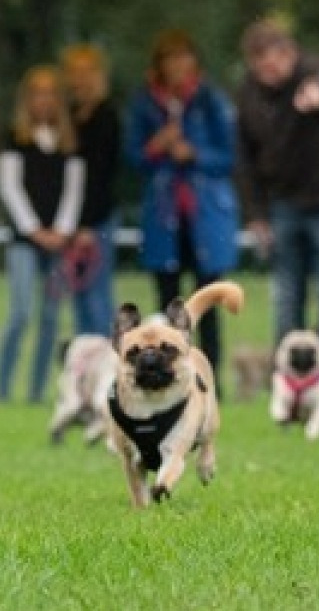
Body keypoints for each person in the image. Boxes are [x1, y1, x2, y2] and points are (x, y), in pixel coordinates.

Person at [125, 30, 238, 378]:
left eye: (183, 57)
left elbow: (229, 156)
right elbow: (132, 158)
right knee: (167, 303)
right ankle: (167, 373)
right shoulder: (144, 105)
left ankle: (210, 376)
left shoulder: (211, 102)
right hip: (164, 216)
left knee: (208, 302)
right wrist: (157, 146)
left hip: (206, 215)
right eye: (170, 58)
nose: (177, 65)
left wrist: (194, 154)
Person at [237, 19, 319, 346]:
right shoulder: (249, 93)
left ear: (290, 53)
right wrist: (255, 214)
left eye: (275, 62)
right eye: (261, 65)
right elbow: (244, 160)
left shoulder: (314, 73)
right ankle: (288, 360)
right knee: (287, 291)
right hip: (283, 202)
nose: (269, 71)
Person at [0, 66, 84, 403]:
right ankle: (2, 389)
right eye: (37, 94)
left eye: (50, 94)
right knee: (20, 313)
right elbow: (10, 187)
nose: (43, 101)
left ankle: (37, 391)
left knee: (50, 317)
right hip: (24, 241)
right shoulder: (15, 138)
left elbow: (74, 189)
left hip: (58, 241)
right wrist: (33, 229)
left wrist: (62, 230)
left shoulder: (68, 141)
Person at [63, 44, 121, 338]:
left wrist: (86, 223)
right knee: (80, 297)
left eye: (87, 72)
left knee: (98, 295)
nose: (80, 79)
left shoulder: (106, 117)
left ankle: (107, 355)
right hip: (73, 219)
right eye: (75, 73)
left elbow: (102, 174)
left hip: (98, 217)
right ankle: (86, 354)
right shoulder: (69, 116)